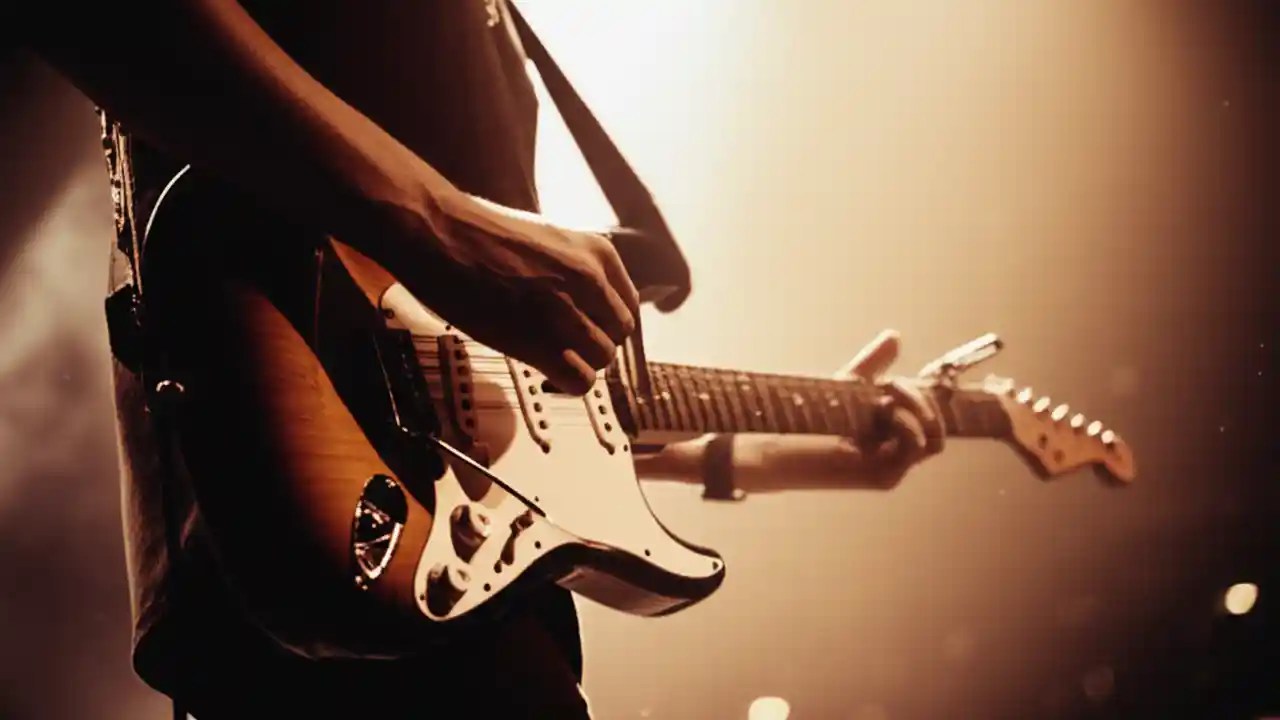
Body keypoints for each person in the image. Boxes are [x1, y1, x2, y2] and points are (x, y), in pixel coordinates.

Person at [21, 1, 944, 717]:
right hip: (315, 566)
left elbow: (486, 387)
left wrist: (764, 455)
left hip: (465, 601)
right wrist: (438, 227)